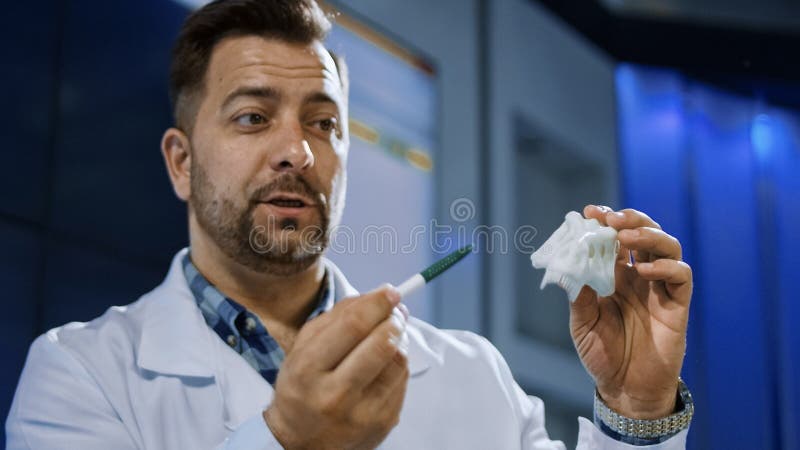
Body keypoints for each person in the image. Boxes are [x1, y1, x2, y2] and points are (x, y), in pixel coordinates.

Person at [5, 0, 694, 448]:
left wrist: (637, 409)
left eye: (323, 122)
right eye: (252, 116)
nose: (298, 150)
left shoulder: (473, 376)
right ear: (181, 162)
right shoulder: (80, 375)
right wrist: (285, 440)